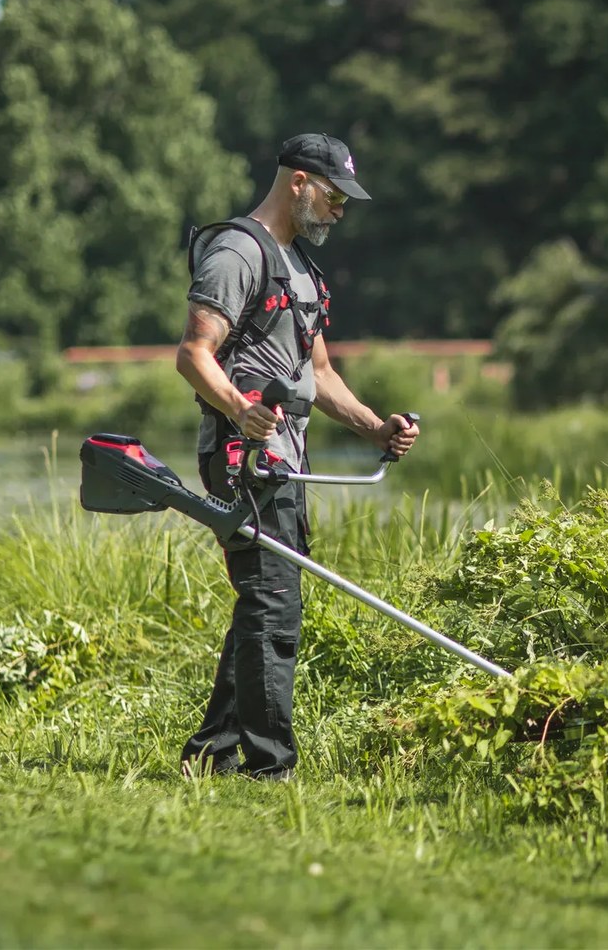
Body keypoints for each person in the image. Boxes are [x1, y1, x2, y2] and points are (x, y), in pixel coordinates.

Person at [175, 133, 419, 780]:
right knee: (275, 605)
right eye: (334, 197)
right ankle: (270, 766)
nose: (340, 211)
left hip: (288, 459)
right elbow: (194, 353)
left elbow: (322, 374)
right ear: (298, 182)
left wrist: (374, 427)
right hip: (242, 457)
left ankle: (210, 753)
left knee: (263, 601)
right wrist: (237, 407)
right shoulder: (237, 252)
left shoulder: (301, 266)